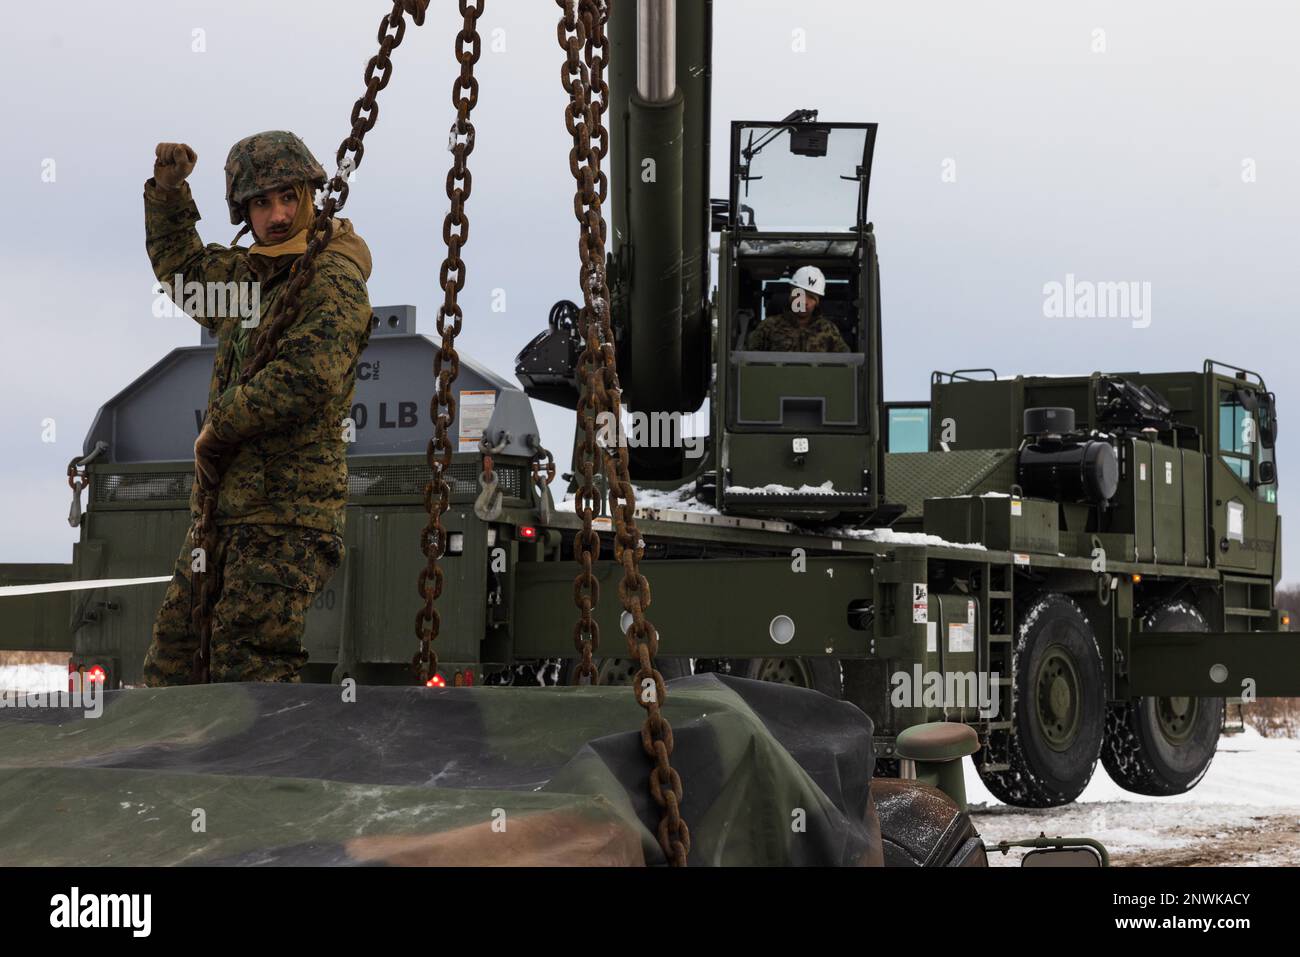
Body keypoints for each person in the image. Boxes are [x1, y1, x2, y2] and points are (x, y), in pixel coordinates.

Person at [140, 131, 374, 685]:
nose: (277, 214)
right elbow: (185, 273)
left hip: (286, 514)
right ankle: (168, 775)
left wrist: (217, 427)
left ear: (311, 196)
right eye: (262, 202)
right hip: (222, 513)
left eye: (288, 198)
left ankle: (264, 776)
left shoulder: (334, 280)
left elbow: (306, 377)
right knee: (173, 660)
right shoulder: (249, 279)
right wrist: (169, 196)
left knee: (251, 669)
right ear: (244, 211)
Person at [745, 265, 849, 353]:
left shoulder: (828, 330)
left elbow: (847, 363)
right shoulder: (768, 327)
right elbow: (747, 362)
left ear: (817, 302)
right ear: (791, 293)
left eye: (811, 297)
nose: (804, 301)